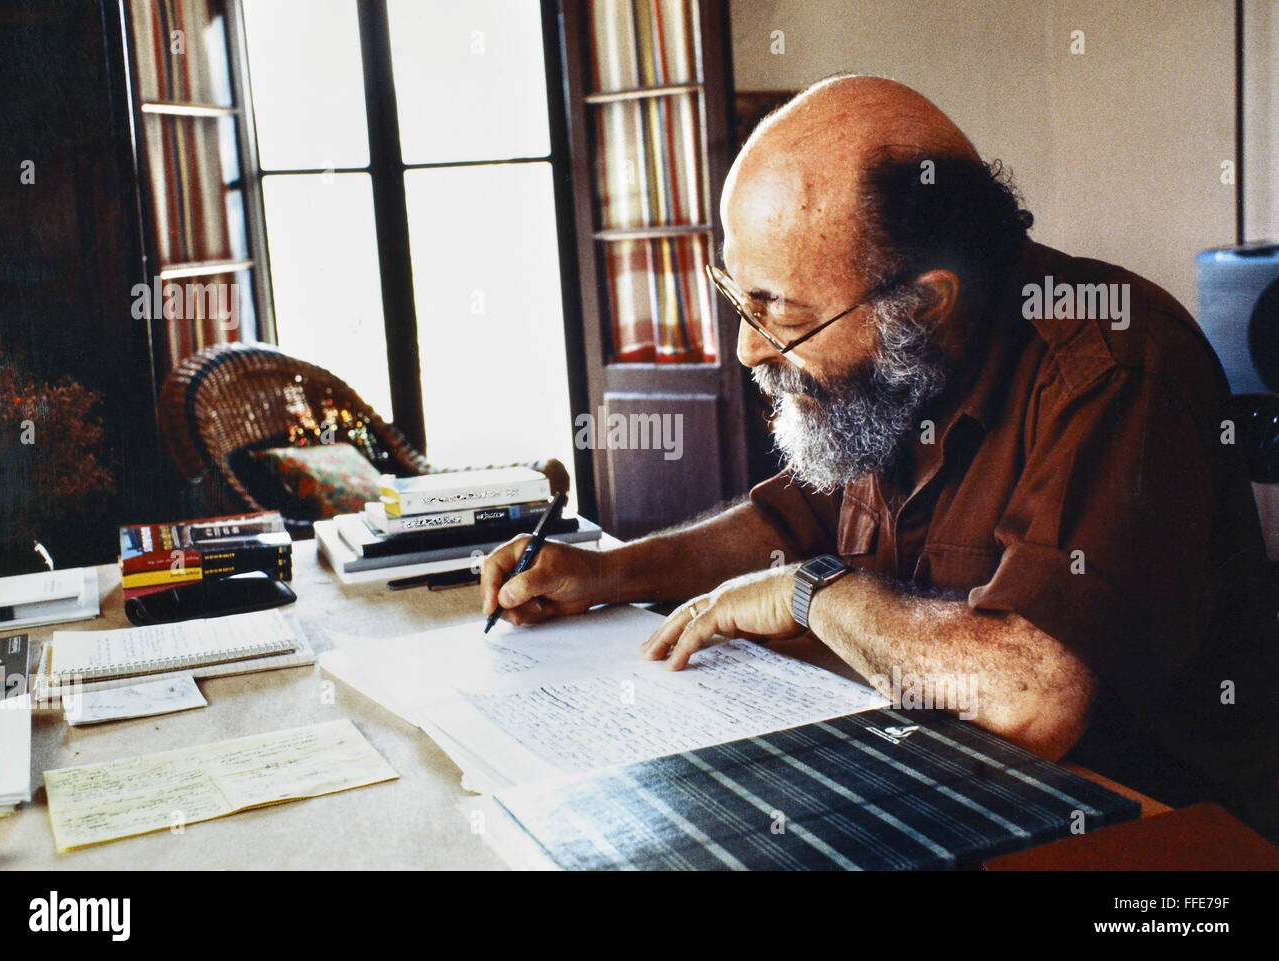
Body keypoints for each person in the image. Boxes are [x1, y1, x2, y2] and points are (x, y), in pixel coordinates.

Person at [481, 75, 1279, 839]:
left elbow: (1032, 697)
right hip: (954, 791)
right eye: (737, 294)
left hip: (1160, 855)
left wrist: (818, 595)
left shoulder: (1116, 367)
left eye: (777, 311)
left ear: (924, 303)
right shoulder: (895, 370)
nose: (746, 347)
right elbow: (784, 524)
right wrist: (605, 574)